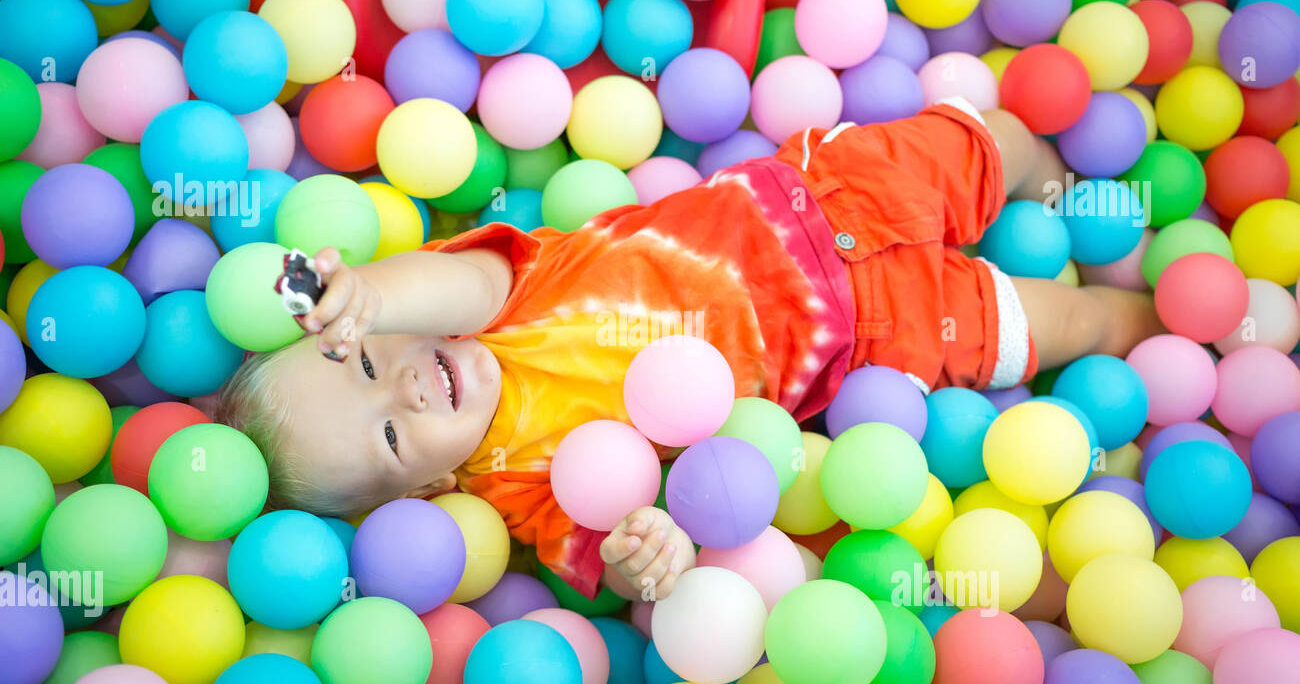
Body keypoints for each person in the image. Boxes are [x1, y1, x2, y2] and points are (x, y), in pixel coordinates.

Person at [212, 99, 1162, 602]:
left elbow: (444, 284)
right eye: (388, 436)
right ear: (424, 493)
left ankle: (1060, 187)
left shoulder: (497, 298)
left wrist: (371, 292)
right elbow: (601, 544)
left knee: (993, 141)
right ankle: (1152, 322)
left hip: (829, 191)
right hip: (871, 331)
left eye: (369, 359)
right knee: (1063, 328)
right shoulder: (517, 480)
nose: (410, 392)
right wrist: (645, 554)